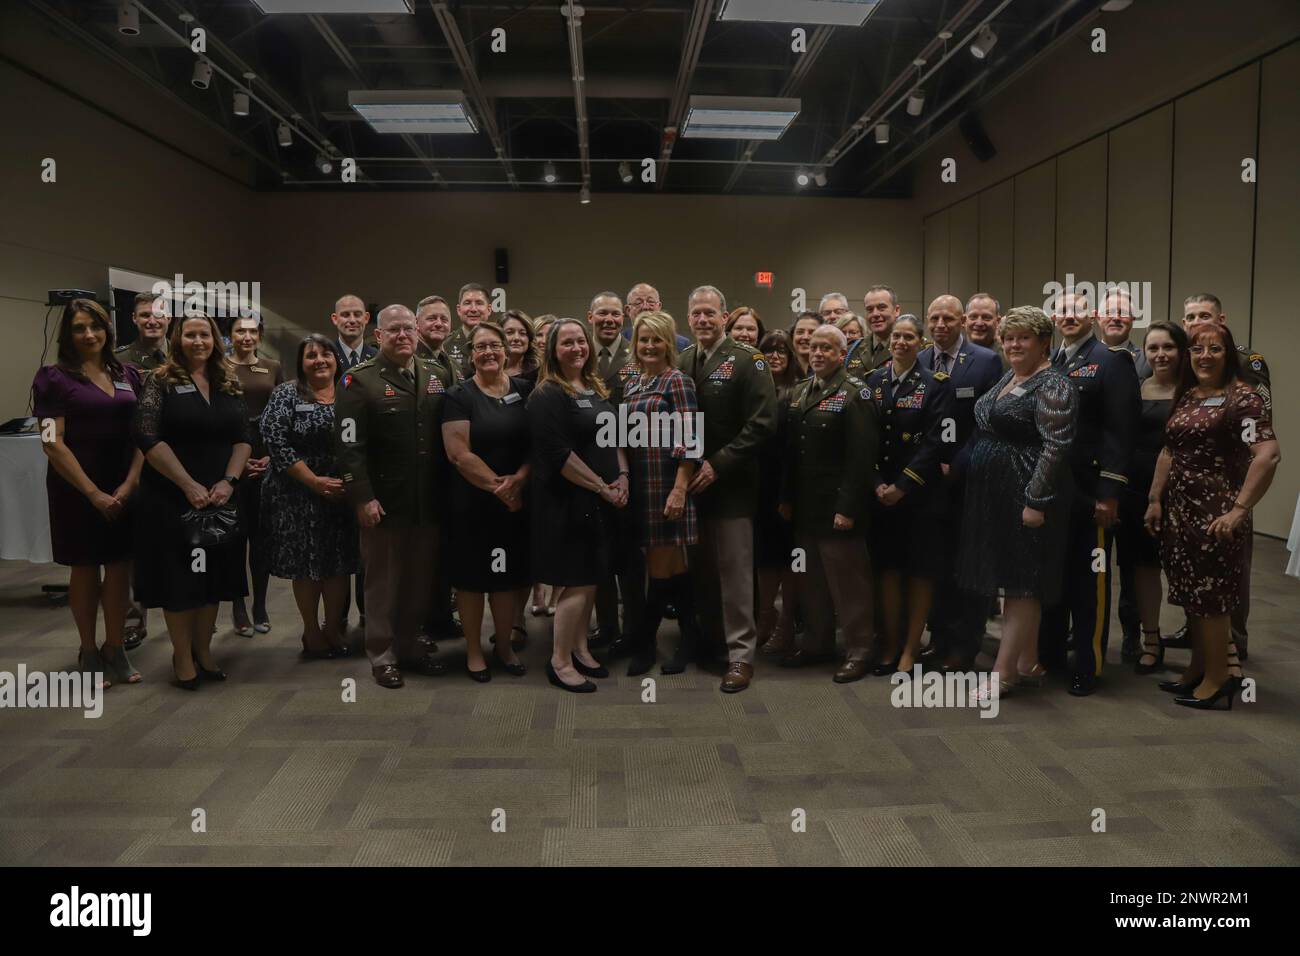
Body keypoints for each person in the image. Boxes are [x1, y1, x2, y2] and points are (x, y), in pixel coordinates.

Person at [1144, 322, 1279, 710]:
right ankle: (1199, 668)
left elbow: (1267, 455)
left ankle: (1220, 679)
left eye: (1215, 350)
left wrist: (1240, 509)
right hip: (1179, 510)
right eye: (1198, 350)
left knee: (1214, 597)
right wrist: (1155, 499)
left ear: (1229, 354)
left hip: (1216, 512)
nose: (1205, 357)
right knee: (1191, 594)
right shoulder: (1188, 395)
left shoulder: (1244, 398)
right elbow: (1169, 451)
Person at [958, 307, 1078, 702]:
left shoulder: (1054, 384)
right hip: (995, 496)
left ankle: (1002, 673)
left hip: (1027, 496)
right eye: (1009, 338)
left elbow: (1056, 447)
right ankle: (1027, 662)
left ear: (1044, 342)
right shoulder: (1012, 376)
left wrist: (1036, 500)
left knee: (1024, 585)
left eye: (1023, 338)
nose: (1013, 344)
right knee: (1015, 581)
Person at [334, 304, 452, 688]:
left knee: (418, 579)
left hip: (428, 499)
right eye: (393, 330)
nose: (402, 335)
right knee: (382, 581)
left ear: (417, 332)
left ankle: (409, 644)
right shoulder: (359, 381)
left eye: (407, 329)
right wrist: (362, 497)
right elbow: (349, 446)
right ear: (378, 336)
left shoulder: (437, 373)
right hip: (383, 500)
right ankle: (382, 654)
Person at [132, 312, 252, 690]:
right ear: (177, 340)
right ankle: (181, 656)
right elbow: (148, 438)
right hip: (172, 496)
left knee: (213, 579)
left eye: (204, 335)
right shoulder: (160, 381)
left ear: (215, 339)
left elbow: (244, 437)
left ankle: (204, 651)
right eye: (190, 335)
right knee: (181, 580)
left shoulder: (227, 381)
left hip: (220, 497)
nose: (198, 341)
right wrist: (187, 485)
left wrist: (230, 481)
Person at [33, 299, 145, 688]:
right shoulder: (53, 378)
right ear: (69, 334)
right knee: (85, 567)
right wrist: (93, 492)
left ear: (108, 331)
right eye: (80, 328)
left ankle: (116, 647)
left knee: (118, 568)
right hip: (76, 488)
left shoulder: (127, 373)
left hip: (123, 485)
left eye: (95, 327)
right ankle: (89, 650)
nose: (89, 334)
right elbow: (51, 442)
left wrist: (130, 484)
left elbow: (143, 435)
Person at [1037, 290, 1140, 696]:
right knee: (1055, 576)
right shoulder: (1053, 362)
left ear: (1092, 316)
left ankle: (1088, 662)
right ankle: (1050, 654)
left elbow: (1121, 431)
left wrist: (1109, 493)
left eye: (1076, 311)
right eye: (1061, 311)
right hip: (1053, 493)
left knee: (1090, 579)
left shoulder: (1111, 361)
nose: (1068, 317)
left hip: (1090, 493)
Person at [679, 285, 778, 693]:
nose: (703, 320)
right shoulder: (683, 359)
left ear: (724, 316)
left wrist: (717, 465)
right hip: (691, 489)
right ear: (688, 319)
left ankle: (740, 656)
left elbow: (762, 423)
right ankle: (711, 643)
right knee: (701, 573)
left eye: (710, 313)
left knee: (735, 575)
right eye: (696, 313)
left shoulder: (747, 360)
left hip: (731, 486)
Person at [1163, 293, 1271, 662]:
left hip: (1223, 496)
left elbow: (1261, 445)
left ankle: (1230, 653)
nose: (1195, 322)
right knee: (1195, 582)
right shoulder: (1189, 381)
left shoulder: (1245, 371)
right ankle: (1202, 654)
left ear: (1222, 320)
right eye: (1190, 317)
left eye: (1204, 315)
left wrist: (1240, 505)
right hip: (1183, 504)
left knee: (1226, 581)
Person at [527, 319, 629, 693]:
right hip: (566, 502)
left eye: (580, 341)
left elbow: (614, 435)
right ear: (553, 349)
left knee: (592, 579)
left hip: (601, 497)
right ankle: (559, 661)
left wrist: (623, 476)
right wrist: (603, 488)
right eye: (567, 342)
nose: (576, 348)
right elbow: (559, 455)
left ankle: (581, 648)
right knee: (578, 581)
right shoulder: (547, 394)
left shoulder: (595, 386)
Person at [778, 324, 879, 682]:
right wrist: (787, 498)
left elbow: (862, 458)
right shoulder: (801, 391)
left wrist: (848, 508)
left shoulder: (856, 394)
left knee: (849, 584)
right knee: (812, 581)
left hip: (839, 508)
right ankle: (818, 643)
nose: (817, 353)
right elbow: (792, 452)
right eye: (813, 347)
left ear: (841, 354)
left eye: (826, 348)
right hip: (806, 508)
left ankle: (859, 650)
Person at [916, 295, 1003, 672]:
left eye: (948, 318)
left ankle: (965, 645)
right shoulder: (920, 359)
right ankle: (939, 635)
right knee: (937, 560)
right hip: (929, 480)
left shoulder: (986, 361)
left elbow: (989, 422)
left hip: (970, 479)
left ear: (962, 321)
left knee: (969, 564)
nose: (940, 325)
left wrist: (958, 463)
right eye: (933, 318)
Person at [442, 323, 532, 682]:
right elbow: (458, 453)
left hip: (516, 502)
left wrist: (520, 480)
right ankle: (475, 651)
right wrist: (502, 489)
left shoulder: (525, 390)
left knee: (507, 579)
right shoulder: (458, 395)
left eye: (495, 345)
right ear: (471, 354)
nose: (489, 352)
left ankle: (505, 647)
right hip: (473, 503)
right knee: (472, 581)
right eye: (481, 347)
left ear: (507, 349)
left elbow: (536, 445)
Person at [865, 314, 955, 674]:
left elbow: (937, 441)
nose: (901, 342)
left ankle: (910, 648)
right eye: (896, 337)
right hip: (880, 493)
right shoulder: (872, 381)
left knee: (919, 572)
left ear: (921, 342)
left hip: (919, 495)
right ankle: (888, 642)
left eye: (908, 337)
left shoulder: (936, 384)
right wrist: (875, 484)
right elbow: (865, 439)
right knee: (887, 570)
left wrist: (902, 486)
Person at [259, 334, 357, 658]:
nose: (319, 360)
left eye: (326, 354)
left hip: (341, 491)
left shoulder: (349, 392)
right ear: (301, 362)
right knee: (307, 564)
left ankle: (332, 628)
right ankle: (311, 631)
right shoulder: (286, 393)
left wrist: (345, 482)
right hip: (296, 492)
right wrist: (315, 482)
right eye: (311, 355)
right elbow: (276, 441)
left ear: (336, 359)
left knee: (339, 562)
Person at [620, 311, 700, 676]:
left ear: (669, 343)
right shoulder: (632, 385)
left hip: (667, 485)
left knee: (659, 567)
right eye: (643, 340)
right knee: (672, 566)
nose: (649, 346)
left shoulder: (677, 381)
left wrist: (680, 489)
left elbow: (689, 440)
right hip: (640, 486)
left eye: (656, 339)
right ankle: (689, 639)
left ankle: (647, 645)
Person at [1120, 322, 1185, 674]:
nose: (1161, 355)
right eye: (1153, 348)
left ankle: (1208, 645)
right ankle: (1151, 641)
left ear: (1181, 351)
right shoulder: (1136, 387)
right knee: (1143, 568)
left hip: (1181, 491)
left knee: (1186, 569)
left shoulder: (1191, 391)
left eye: (1168, 347)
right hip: (1136, 490)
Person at [588, 291, 645, 653]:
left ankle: (635, 631)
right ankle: (606, 626)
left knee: (630, 557)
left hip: (631, 468)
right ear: (589, 316)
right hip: (590, 467)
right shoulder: (579, 351)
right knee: (599, 555)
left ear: (623, 317)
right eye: (601, 314)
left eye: (614, 314)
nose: (609, 320)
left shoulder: (635, 354)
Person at [115, 291, 170, 650]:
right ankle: (134, 619)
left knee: (178, 542)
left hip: (178, 463)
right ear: (134, 319)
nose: (152, 320)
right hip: (132, 462)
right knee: (132, 547)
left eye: (159, 315)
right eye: (145, 314)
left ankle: (189, 611)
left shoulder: (182, 358)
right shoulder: (118, 361)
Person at [226, 312, 283, 638]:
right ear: (230, 335)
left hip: (265, 458)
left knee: (261, 540)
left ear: (259, 335)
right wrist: (237, 461)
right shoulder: (219, 367)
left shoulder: (272, 367)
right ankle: (238, 606)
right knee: (235, 538)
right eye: (240, 331)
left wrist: (269, 458)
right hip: (232, 456)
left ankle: (260, 605)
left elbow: (280, 414)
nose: (246, 336)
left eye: (252, 331)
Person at [755, 330, 801, 657]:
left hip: (787, 486)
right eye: (768, 351)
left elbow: (795, 450)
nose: (774, 356)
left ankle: (786, 623)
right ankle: (765, 616)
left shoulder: (798, 392)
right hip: (757, 487)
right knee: (764, 557)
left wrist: (788, 494)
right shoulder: (755, 389)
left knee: (790, 559)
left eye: (781, 351)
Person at [1098, 287, 1151, 379]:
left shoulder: (1147, 360)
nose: (1116, 318)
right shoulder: (1082, 359)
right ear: (1098, 318)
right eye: (1110, 312)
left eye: (1123, 313)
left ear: (1132, 319)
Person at [622, 283, 689, 349]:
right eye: (638, 303)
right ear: (628, 310)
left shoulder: (681, 344)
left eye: (651, 302)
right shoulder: (620, 342)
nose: (645, 307)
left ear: (659, 307)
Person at [445, 283, 492, 376]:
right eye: (467, 303)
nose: (473, 309)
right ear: (459, 310)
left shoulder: (501, 343)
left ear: (489, 309)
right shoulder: (445, 345)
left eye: (479, 303)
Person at [415, 295, 461, 383]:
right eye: (431, 318)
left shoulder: (456, 366)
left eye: (444, 319)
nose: (439, 324)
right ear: (416, 322)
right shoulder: (408, 361)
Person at [859, 284, 900, 372]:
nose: (875, 314)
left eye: (882, 308)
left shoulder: (915, 348)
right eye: (869, 309)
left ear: (896, 310)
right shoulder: (852, 350)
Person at [330, 294, 377, 370]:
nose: (352, 320)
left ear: (366, 318)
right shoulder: (326, 356)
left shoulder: (378, 358)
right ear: (335, 319)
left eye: (357, 315)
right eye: (345, 315)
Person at [964, 292, 1007, 369]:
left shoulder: (1008, 358)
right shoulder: (952, 353)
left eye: (986, 317)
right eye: (973, 317)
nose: (979, 323)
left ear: (998, 322)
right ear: (964, 321)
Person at [502, 310, 541, 384]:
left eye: (522, 333)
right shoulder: (489, 370)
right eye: (509, 332)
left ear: (529, 339)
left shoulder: (540, 373)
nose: (516, 338)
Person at [788, 311, 821, 380]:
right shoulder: (783, 369)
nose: (805, 337)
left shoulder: (828, 372)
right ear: (792, 336)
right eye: (800, 332)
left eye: (812, 332)